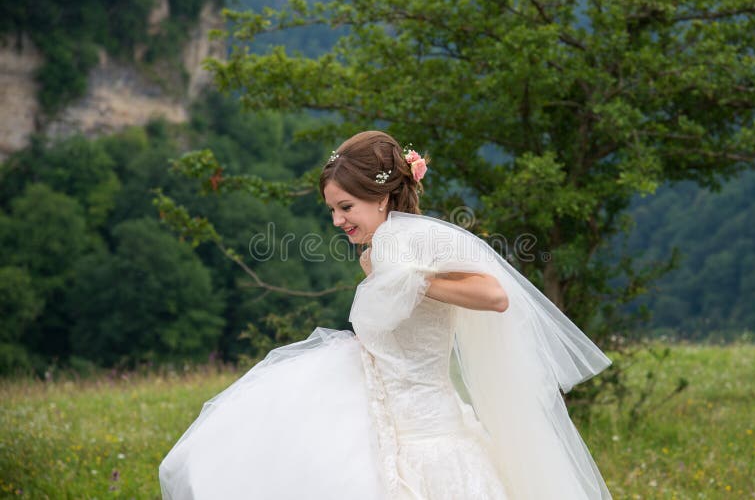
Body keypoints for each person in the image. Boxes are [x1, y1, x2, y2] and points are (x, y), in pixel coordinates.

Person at [159, 130, 614, 499]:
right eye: (332, 211)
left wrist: (416, 283)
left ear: (379, 197)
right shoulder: (380, 249)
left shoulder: (414, 239)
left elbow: (494, 295)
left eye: (345, 208)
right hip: (384, 411)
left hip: (425, 427)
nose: (338, 221)